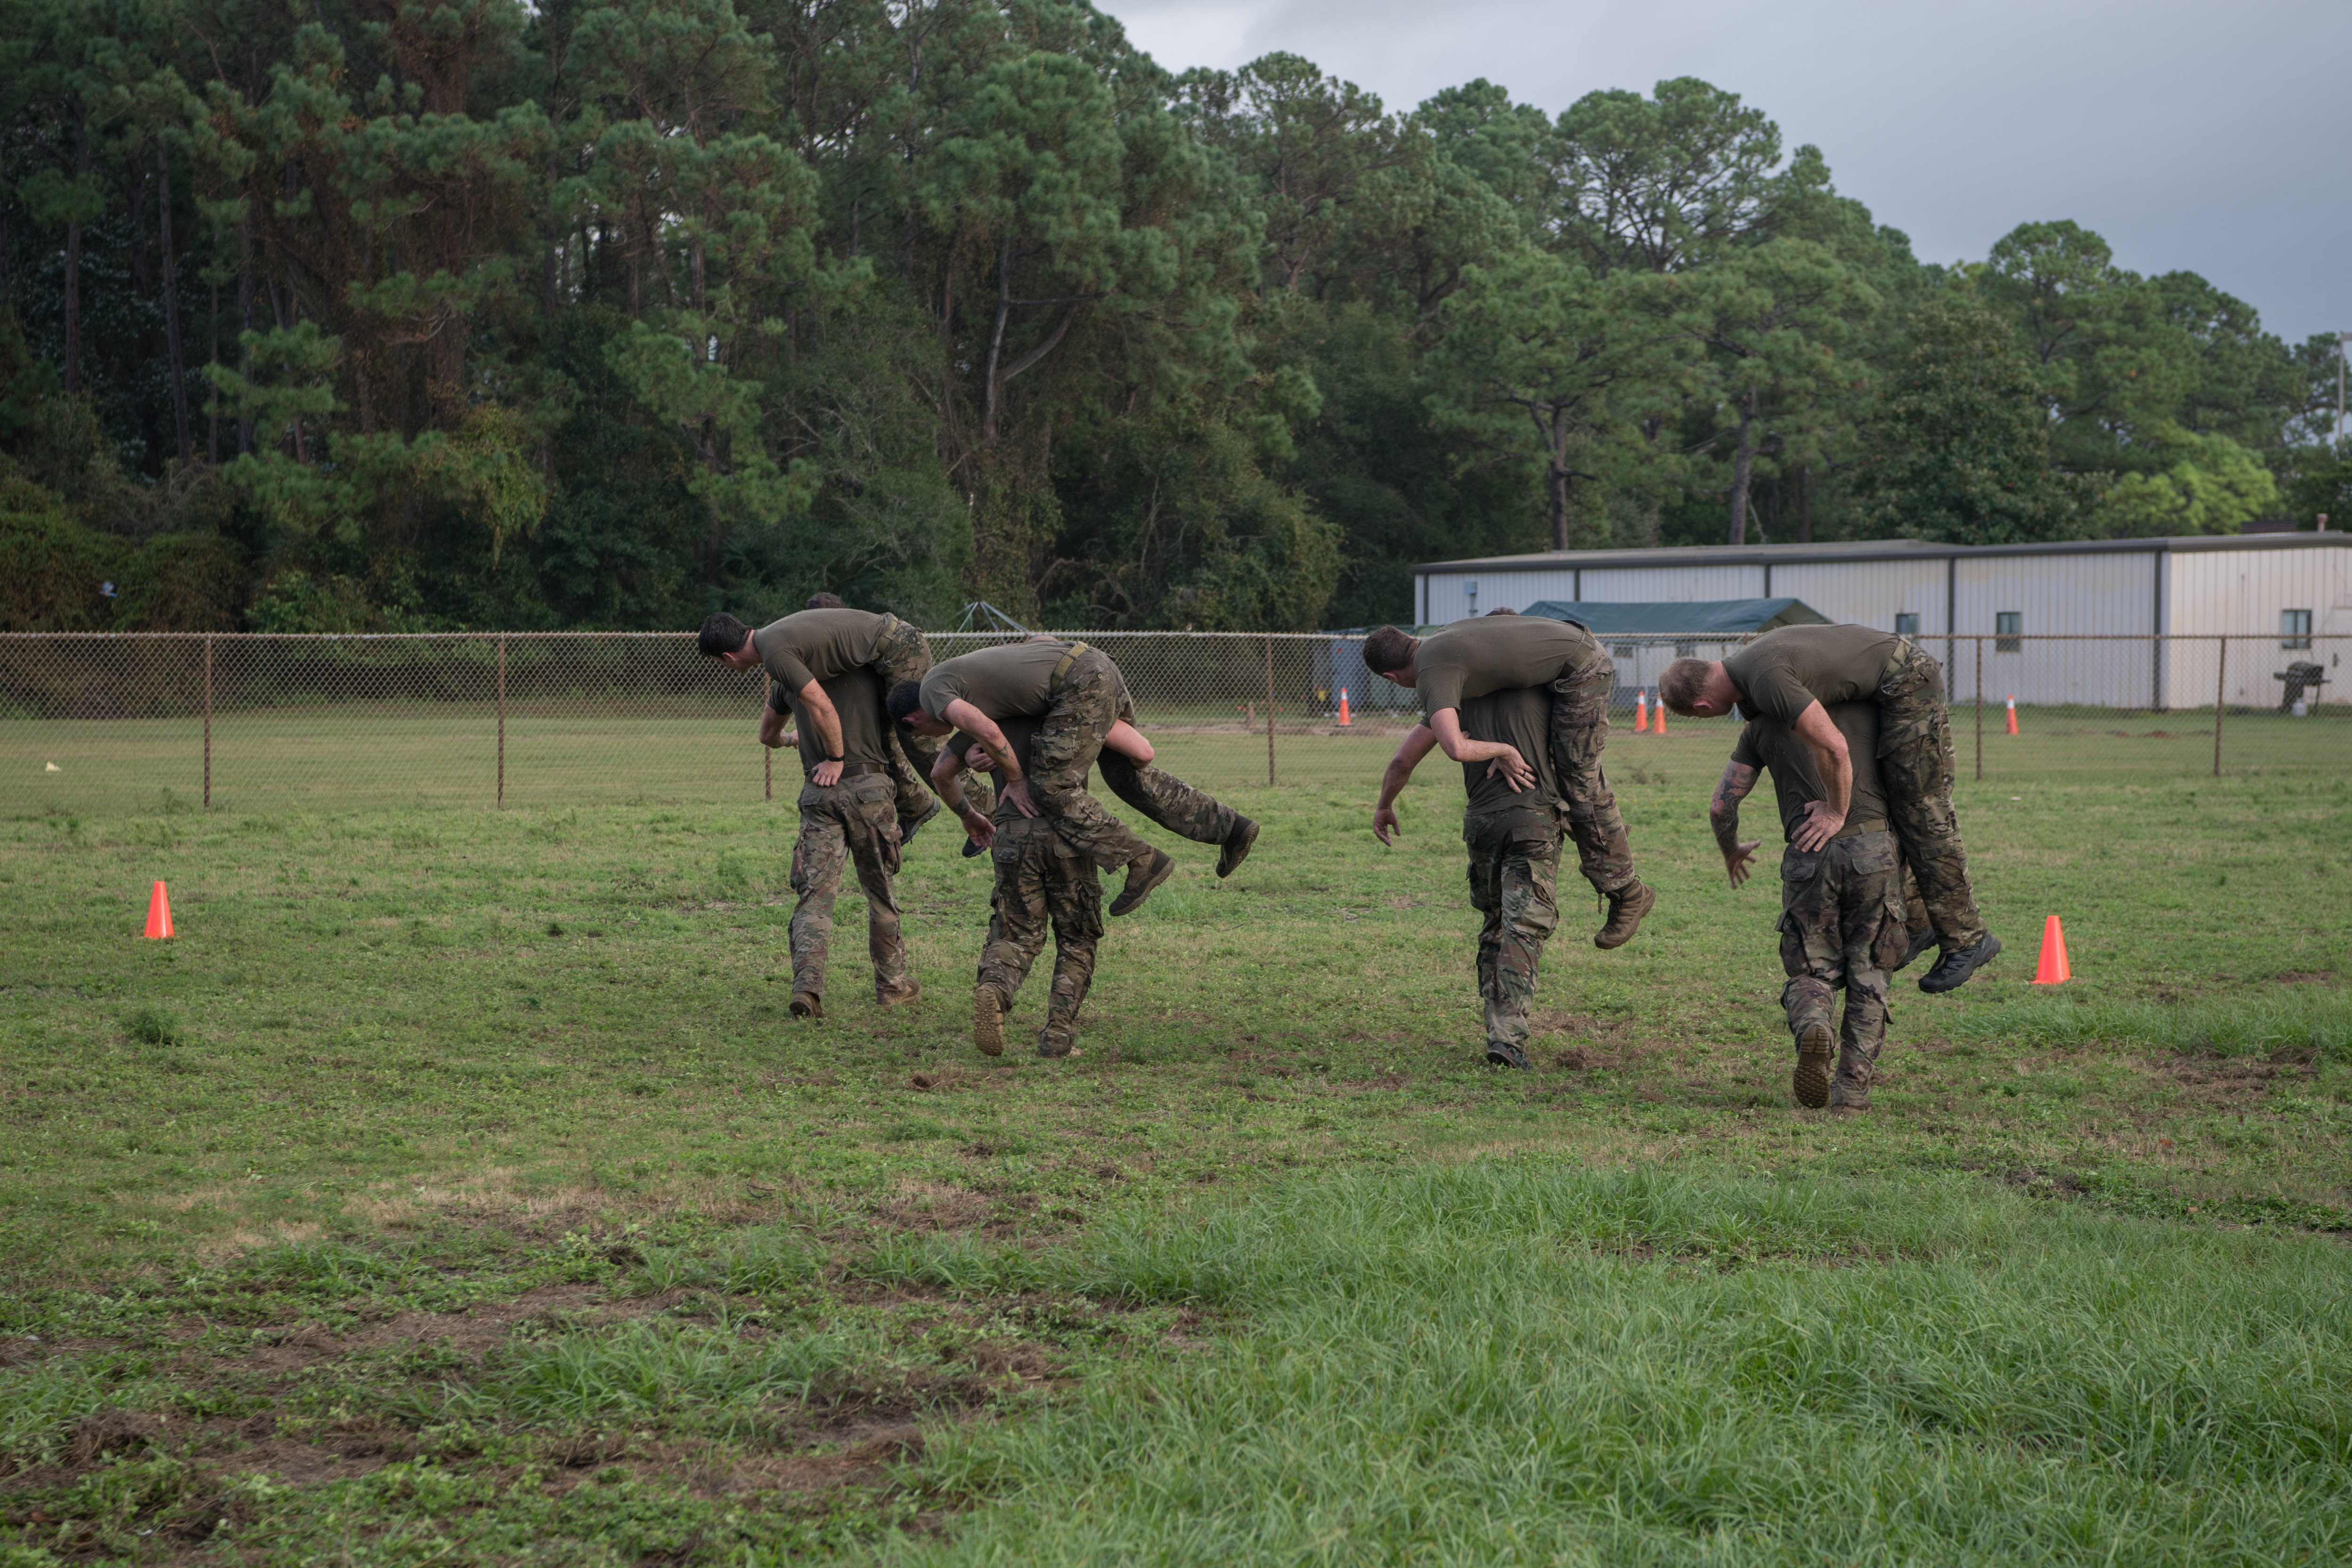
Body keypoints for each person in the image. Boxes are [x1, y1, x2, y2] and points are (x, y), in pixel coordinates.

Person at [1658, 624, 1997, 992]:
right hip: (1886, 682)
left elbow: (1833, 747)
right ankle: (1919, 926)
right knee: (1897, 810)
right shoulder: (1747, 669)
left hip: (1907, 678)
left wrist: (1837, 811)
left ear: (1701, 706)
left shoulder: (1765, 678)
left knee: (1922, 810)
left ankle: (1968, 939)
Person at [888, 638, 1258, 917]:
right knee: (1125, 774)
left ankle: (1142, 859)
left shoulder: (935, 692)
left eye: (928, 733)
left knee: (1049, 785)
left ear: (912, 721)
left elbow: (985, 730)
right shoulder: (978, 679)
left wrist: (1015, 781)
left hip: (1080, 684)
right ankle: (1231, 827)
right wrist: (970, 798)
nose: (940, 734)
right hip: (1094, 667)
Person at [1360, 617, 1653, 948]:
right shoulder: (1442, 645)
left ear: (1390, 677)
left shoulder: (1432, 669)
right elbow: (1404, 760)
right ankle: (1597, 845)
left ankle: (1628, 891)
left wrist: (1502, 749)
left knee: (1578, 776)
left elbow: (1454, 746)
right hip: (1566, 654)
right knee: (1561, 770)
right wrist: (1385, 804)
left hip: (1582, 668)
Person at [1711, 698, 1929, 1110]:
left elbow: (1721, 804)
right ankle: (1850, 1093)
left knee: (1813, 968)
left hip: (1808, 852)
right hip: (1873, 849)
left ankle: (1814, 1024)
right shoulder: (1866, 711)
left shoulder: (1761, 727)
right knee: (1869, 971)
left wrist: (1731, 849)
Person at [1371, 683, 1571, 1070]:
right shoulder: (1547, 689)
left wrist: (1384, 806)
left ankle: (1495, 1021)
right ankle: (1507, 1036)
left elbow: (1402, 761)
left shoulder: (1456, 695)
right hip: (1533, 823)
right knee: (1523, 928)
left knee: (1495, 922)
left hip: (1482, 825)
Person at [699, 606, 988, 856]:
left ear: (728, 656)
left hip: (899, 647)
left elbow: (822, 707)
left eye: (719, 662)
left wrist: (835, 759)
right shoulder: (770, 639)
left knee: (920, 741)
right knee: (883, 739)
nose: (723, 666)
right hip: (884, 653)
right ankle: (914, 806)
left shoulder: (775, 654)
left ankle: (988, 813)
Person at [764, 664, 918, 1020]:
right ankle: (893, 986)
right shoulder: (873, 673)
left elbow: (767, 735)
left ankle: (807, 988)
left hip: (819, 791)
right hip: (870, 789)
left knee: (814, 898)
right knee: (880, 893)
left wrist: (791, 739)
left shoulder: (791, 677)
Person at [958, 718, 1102, 1059]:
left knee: (1014, 936)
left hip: (1012, 833)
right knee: (1077, 938)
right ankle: (1057, 1035)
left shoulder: (991, 708)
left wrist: (968, 757)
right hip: (1068, 833)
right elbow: (1137, 747)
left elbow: (942, 767)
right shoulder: (1073, 706)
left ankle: (994, 988)